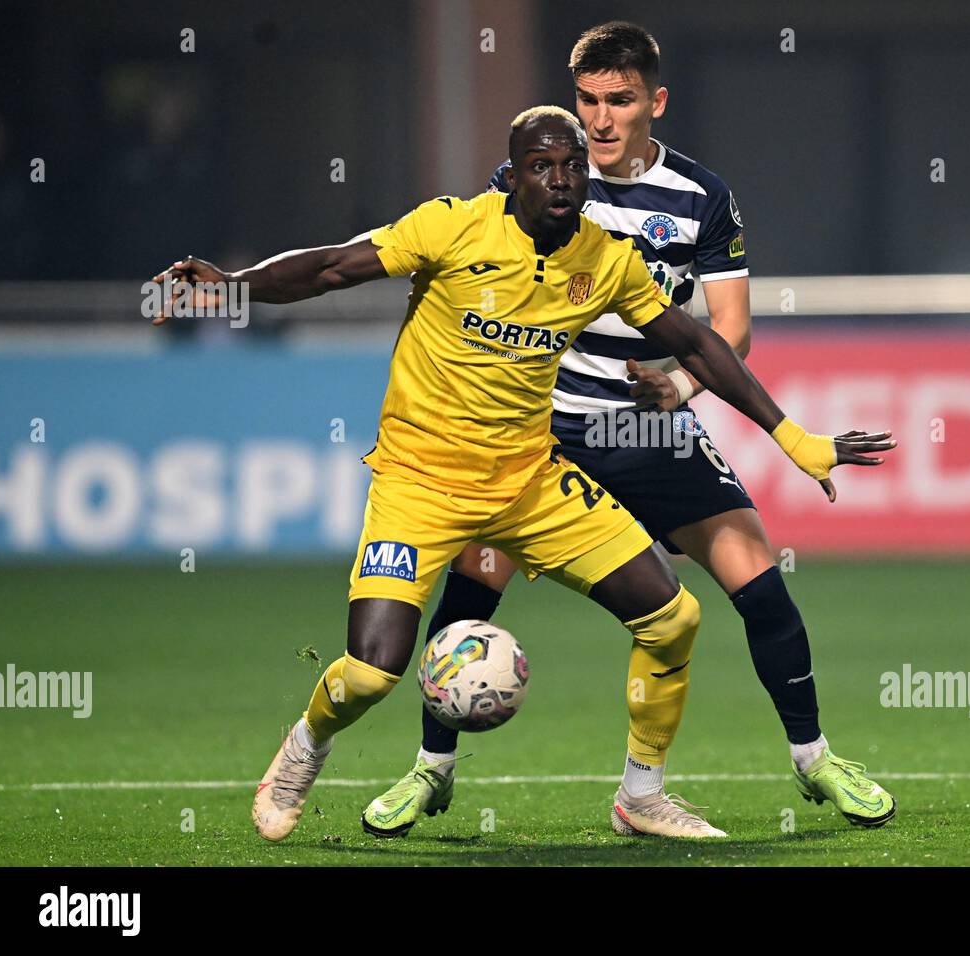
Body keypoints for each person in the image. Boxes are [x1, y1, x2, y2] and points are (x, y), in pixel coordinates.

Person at [151, 106, 896, 842]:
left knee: (673, 618)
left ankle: (642, 795)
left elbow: (697, 343)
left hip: (529, 482)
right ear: (512, 177)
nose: (561, 180)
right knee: (374, 671)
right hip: (419, 482)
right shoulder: (453, 225)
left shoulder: (602, 260)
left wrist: (791, 438)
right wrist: (233, 285)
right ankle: (306, 747)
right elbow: (333, 267)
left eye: (573, 166)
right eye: (542, 166)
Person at [363, 21, 898, 839]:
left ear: (656, 101)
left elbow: (728, 329)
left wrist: (679, 388)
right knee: (471, 595)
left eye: (618, 101)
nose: (599, 120)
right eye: (587, 101)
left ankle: (810, 759)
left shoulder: (701, 197)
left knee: (761, 586)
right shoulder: (540, 178)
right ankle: (431, 773)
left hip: (652, 431)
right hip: (543, 435)